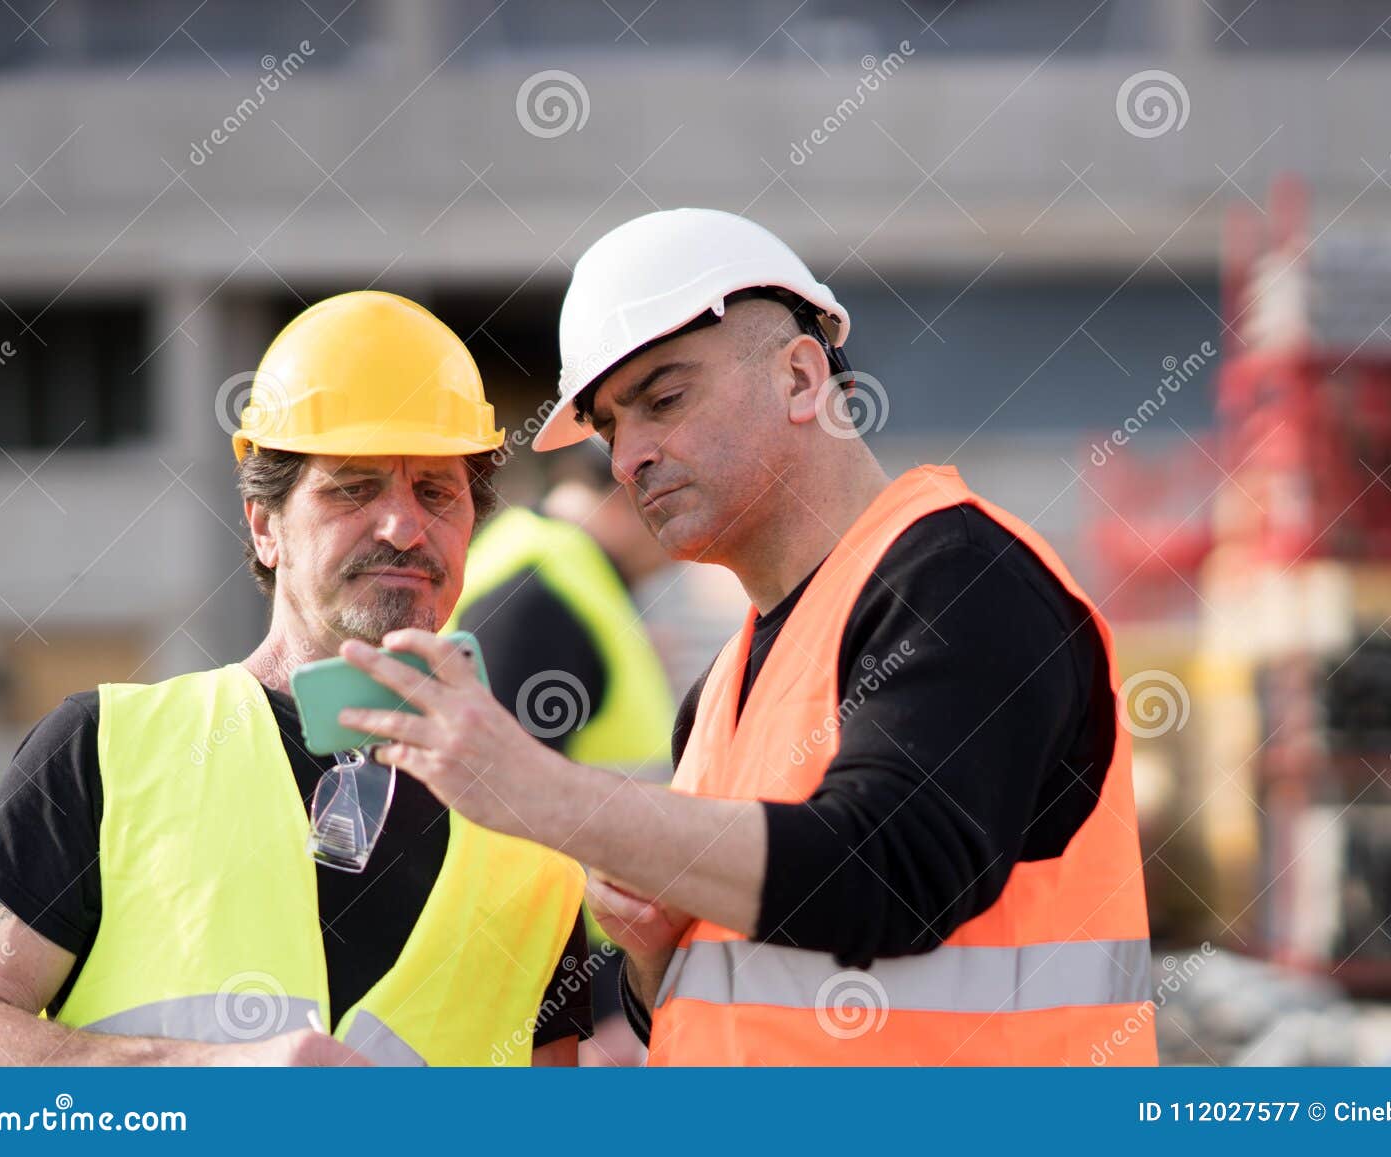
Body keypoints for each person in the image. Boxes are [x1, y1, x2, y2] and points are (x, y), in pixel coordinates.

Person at [321, 209, 1157, 1065]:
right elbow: (734, 997)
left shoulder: (967, 578)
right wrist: (651, 954)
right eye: (611, 426)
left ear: (800, 378)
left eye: (665, 399)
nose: (626, 458)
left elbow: (889, 875)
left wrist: (544, 793)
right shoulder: (724, 690)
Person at [0, 292, 589, 1066]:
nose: (403, 525)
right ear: (265, 527)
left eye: (436, 491)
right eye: (353, 487)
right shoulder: (104, 750)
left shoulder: (533, 826)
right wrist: (220, 1074)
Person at [449, 442, 675, 1062]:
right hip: (576, 982)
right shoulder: (542, 591)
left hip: (596, 972)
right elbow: (497, 822)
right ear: (625, 486)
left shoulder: (565, 573)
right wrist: (584, 1013)